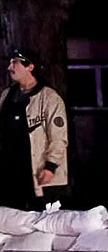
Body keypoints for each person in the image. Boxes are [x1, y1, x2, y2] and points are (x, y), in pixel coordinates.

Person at [1, 49, 68, 211]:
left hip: (38, 176)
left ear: (30, 67)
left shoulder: (49, 98)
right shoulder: (6, 96)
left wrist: (50, 166)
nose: (10, 67)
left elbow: (58, 137)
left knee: (41, 220)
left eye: (14, 62)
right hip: (10, 173)